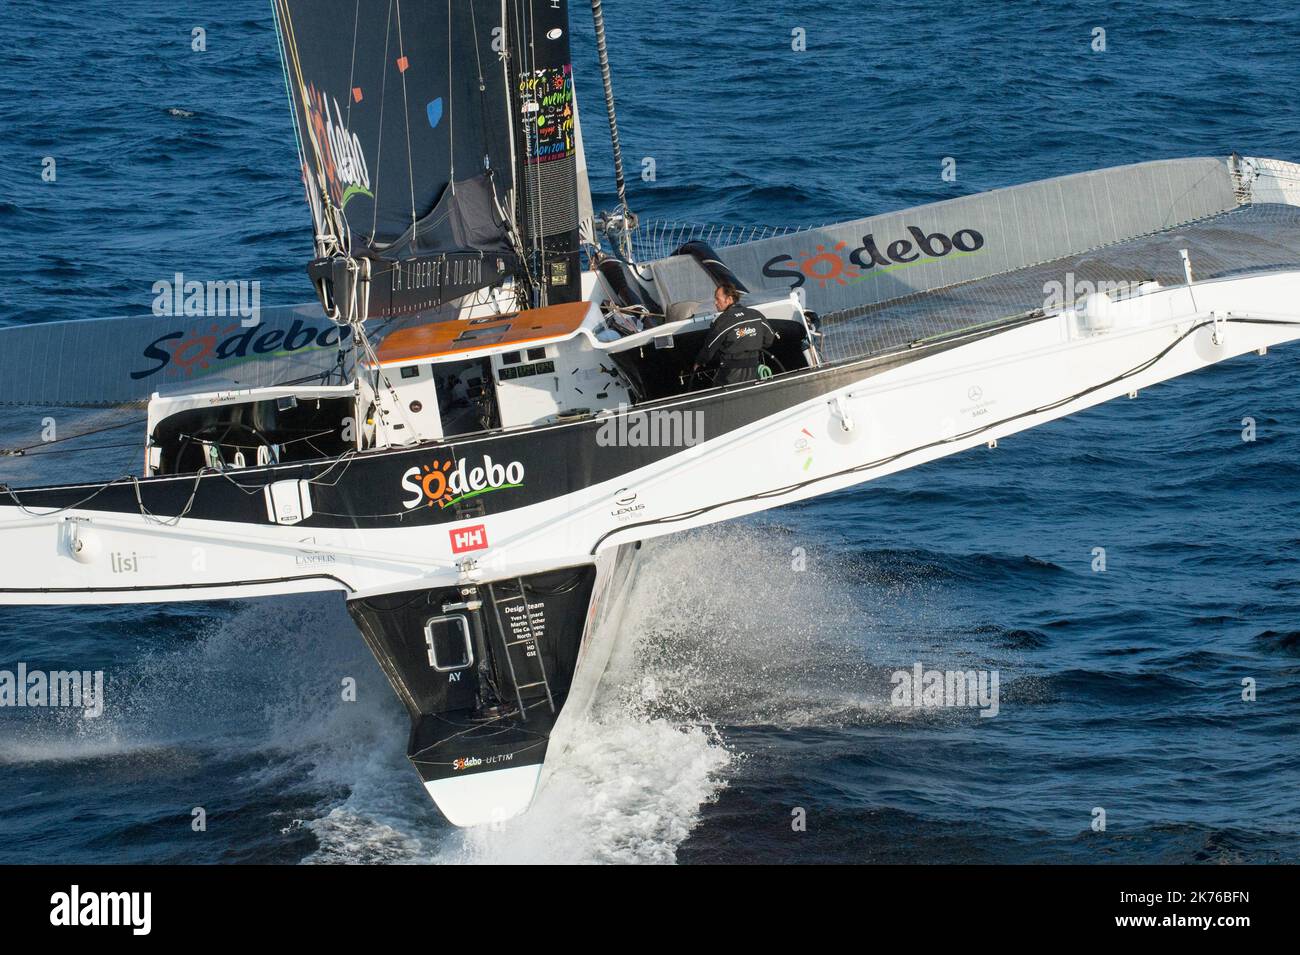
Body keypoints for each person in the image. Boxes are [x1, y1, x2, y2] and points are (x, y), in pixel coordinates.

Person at [692, 284, 776, 385]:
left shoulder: (722, 321)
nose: (715, 303)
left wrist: (699, 362)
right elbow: (769, 339)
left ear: (729, 299)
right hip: (754, 370)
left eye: (717, 299)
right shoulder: (756, 315)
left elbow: (709, 348)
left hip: (730, 374)